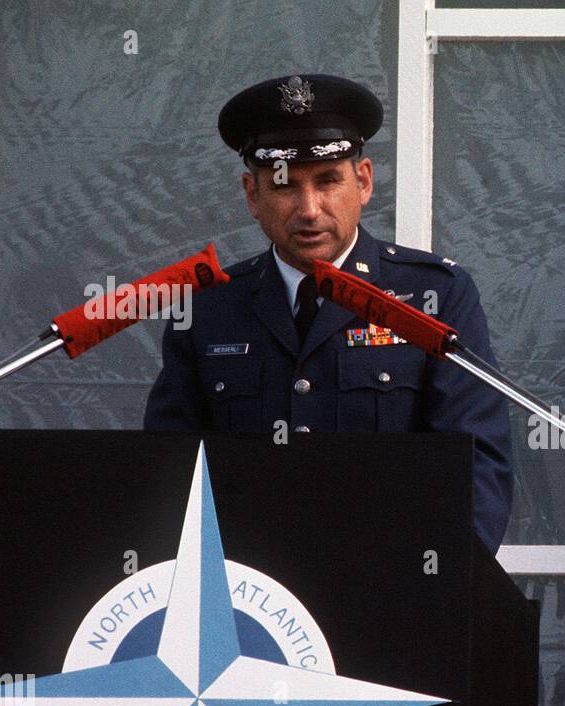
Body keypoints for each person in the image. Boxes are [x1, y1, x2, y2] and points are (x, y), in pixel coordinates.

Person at [144, 74, 513, 551]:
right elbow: (170, 467)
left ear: (362, 182)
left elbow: (477, 465)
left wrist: (438, 580)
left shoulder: (433, 297)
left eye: (328, 181)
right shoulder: (210, 305)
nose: (309, 209)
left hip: (392, 583)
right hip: (250, 598)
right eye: (285, 187)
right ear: (252, 195)